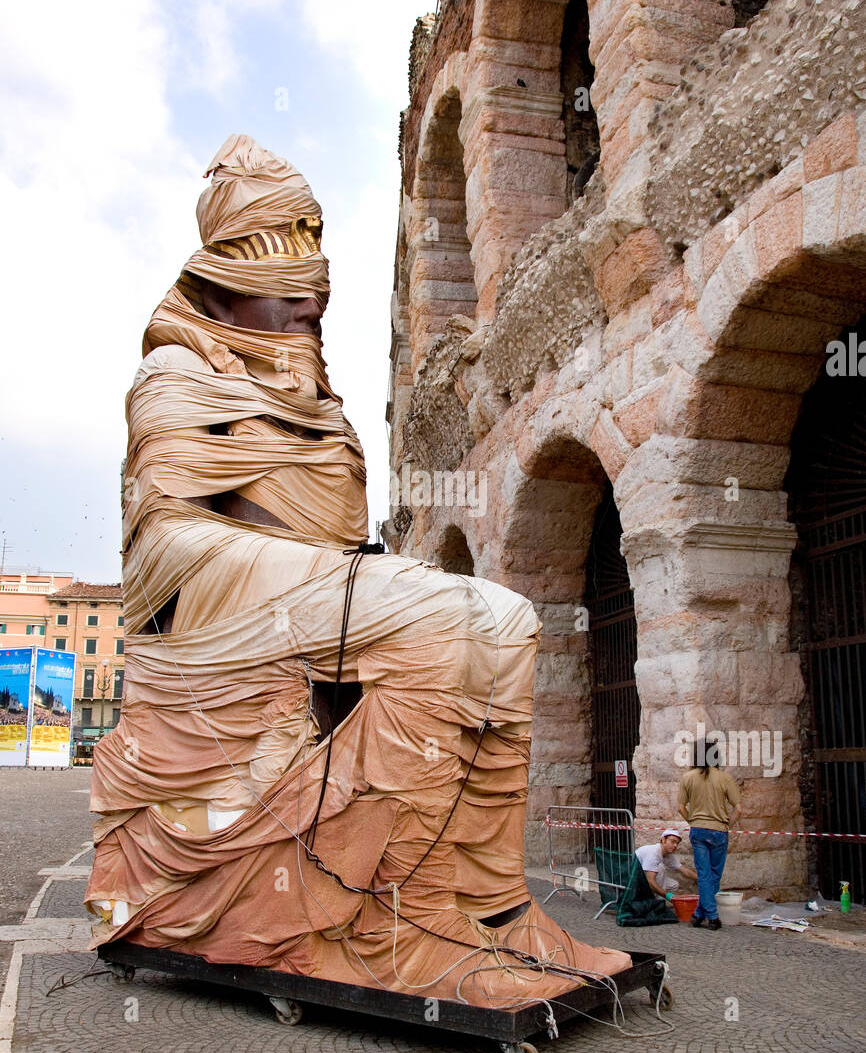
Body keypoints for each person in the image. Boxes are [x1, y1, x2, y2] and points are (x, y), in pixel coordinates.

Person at [84, 133, 634, 1004]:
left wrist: (349, 581)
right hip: (214, 629)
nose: (313, 315)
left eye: (319, 303)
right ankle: (393, 922)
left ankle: (489, 906)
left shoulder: (320, 403)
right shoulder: (173, 375)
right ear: (233, 282)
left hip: (307, 606)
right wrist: (331, 583)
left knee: (507, 620)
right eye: (295, 302)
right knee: (440, 617)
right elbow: (163, 549)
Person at [677, 756, 742, 929]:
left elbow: (680, 807)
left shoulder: (688, 777)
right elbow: (739, 809)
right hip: (719, 831)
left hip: (698, 830)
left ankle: (699, 914)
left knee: (704, 875)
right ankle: (712, 917)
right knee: (714, 875)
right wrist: (728, 825)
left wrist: (692, 821)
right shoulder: (724, 777)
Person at [636, 828, 697, 899]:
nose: (675, 846)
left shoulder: (668, 855)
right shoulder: (653, 852)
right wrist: (668, 896)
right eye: (672, 841)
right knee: (660, 869)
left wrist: (702, 879)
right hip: (635, 880)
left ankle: (660, 900)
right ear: (663, 840)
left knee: (673, 885)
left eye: (677, 843)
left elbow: (685, 871)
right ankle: (656, 903)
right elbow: (650, 881)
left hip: (645, 879)